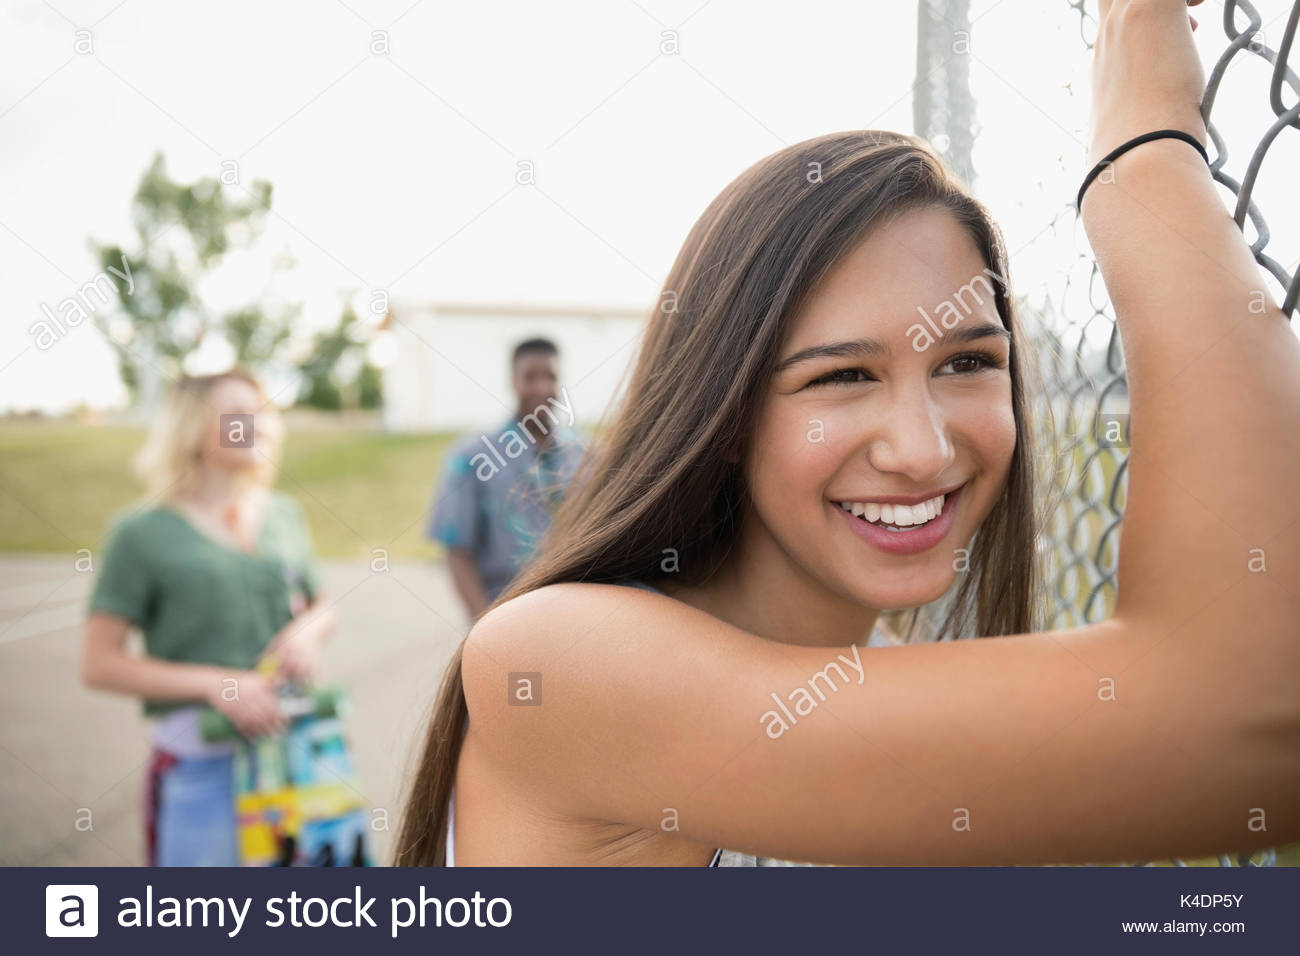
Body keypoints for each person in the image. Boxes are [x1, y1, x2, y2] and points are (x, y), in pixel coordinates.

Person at [397, 0, 1300, 867]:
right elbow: (1254, 714)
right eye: (842, 377)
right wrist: (1143, 162)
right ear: (724, 417)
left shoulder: (878, 670)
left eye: (967, 363)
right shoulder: (560, 662)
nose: (924, 449)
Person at [81, 367, 337, 866]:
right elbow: (99, 665)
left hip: (297, 755)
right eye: (240, 414)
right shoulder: (141, 532)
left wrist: (308, 631)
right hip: (202, 769)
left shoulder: (282, 513)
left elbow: (324, 605)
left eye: (265, 413)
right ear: (193, 428)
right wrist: (218, 684)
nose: (260, 425)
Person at [428, 337, 586, 620]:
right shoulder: (472, 458)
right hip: (502, 619)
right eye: (530, 377)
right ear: (513, 381)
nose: (541, 387)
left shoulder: (587, 457)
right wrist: (485, 626)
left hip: (574, 622)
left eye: (550, 377)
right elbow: (457, 554)